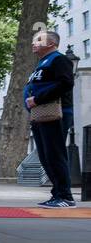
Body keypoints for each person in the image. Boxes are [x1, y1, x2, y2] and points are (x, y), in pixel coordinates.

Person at [25, 30, 76, 207]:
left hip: (56, 113)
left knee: (55, 154)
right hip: (40, 115)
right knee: (46, 156)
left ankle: (65, 197)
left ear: (52, 43)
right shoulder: (41, 63)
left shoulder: (59, 59)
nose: (34, 43)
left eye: (39, 40)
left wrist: (38, 99)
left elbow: (66, 83)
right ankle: (57, 194)